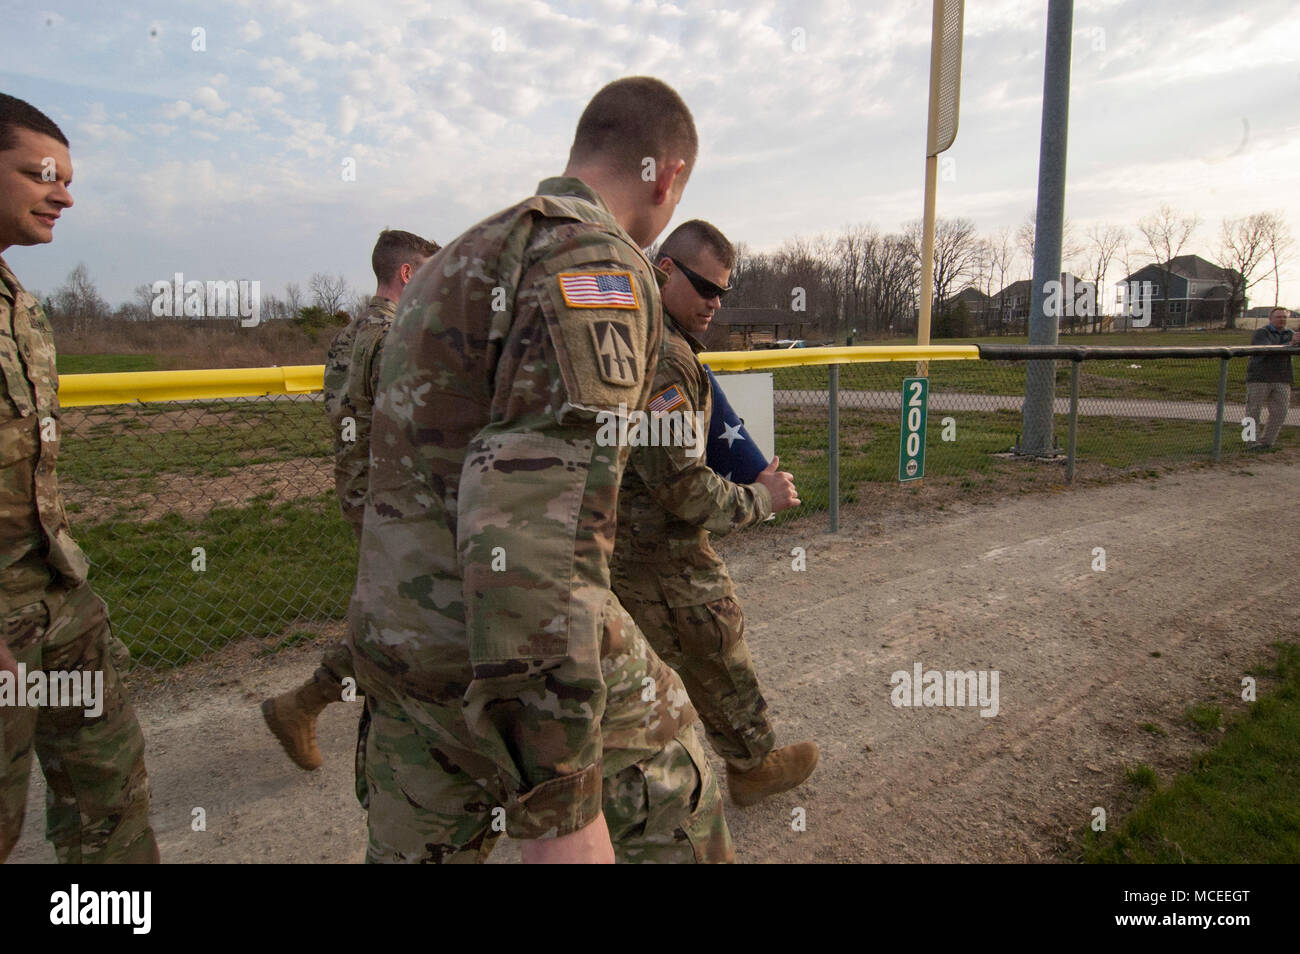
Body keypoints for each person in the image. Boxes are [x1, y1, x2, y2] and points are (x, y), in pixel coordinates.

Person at [348, 76, 732, 863]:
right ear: (669, 175)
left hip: (403, 643)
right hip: (500, 650)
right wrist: (560, 796)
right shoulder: (595, 263)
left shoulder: (455, 261)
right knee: (680, 795)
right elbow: (534, 525)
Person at [0, 93, 158, 863]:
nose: (63, 194)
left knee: (109, 807)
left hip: (58, 601)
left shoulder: (18, 303)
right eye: (42, 174)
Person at [611, 220, 818, 806]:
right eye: (706, 288)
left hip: (625, 548)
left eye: (724, 292)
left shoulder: (644, 334)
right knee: (716, 643)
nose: (715, 304)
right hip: (659, 554)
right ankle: (750, 766)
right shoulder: (666, 359)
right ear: (667, 270)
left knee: (643, 674)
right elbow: (684, 487)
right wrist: (763, 499)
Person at [262, 229, 439, 772]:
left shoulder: (351, 335)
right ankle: (306, 704)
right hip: (395, 501)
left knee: (398, 614)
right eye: (430, 277)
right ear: (408, 275)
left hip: (367, 495)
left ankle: (310, 705)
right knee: (408, 619)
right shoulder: (396, 338)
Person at [1245, 306, 1296, 450]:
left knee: (1281, 411)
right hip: (1259, 377)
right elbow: (1267, 349)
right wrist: (1290, 345)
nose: (1282, 320)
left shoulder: (1290, 333)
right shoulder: (1261, 333)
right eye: (1279, 317)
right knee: (1253, 411)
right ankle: (1250, 442)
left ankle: (1267, 442)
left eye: (1284, 317)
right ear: (1271, 319)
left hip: (1282, 377)